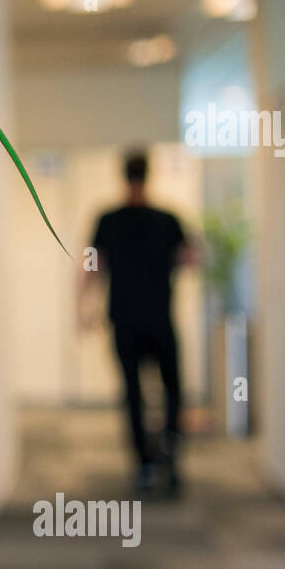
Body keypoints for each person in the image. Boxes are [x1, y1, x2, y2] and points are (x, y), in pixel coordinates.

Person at [81, 148, 196, 495]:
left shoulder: (108, 219)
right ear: (149, 175)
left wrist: (83, 307)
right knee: (168, 389)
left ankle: (146, 463)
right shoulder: (167, 219)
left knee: (134, 393)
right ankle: (168, 455)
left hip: (125, 320)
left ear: (123, 176)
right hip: (158, 318)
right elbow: (191, 256)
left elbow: (91, 264)